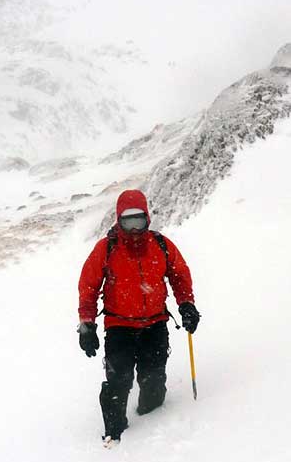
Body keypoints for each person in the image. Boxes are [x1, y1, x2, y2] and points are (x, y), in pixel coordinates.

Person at [77, 190, 201, 448]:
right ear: (118, 221)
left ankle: (151, 417)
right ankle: (114, 430)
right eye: (127, 222)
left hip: (155, 325)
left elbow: (179, 275)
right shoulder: (106, 249)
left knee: (153, 380)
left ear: (147, 218)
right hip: (119, 326)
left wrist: (186, 304)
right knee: (118, 380)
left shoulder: (161, 245)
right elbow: (88, 287)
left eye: (138, 221)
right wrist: (86, 324)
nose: (134, 229)